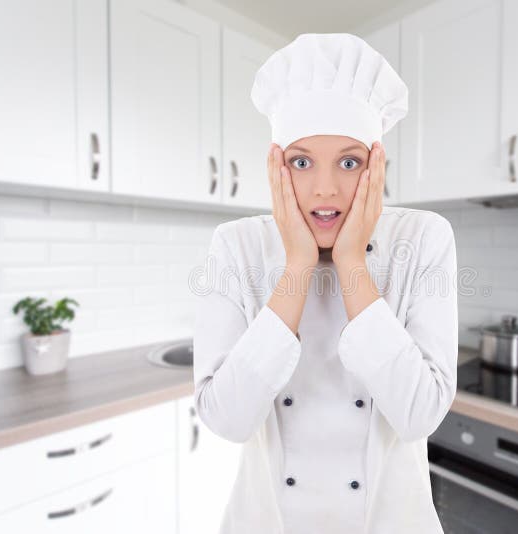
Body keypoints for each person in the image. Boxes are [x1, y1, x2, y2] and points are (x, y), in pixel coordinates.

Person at [193, 32, 458, 534]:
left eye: (349, 162)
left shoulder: (424, 238)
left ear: (376, 166)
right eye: (301, 161)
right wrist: (297, 264)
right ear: (277, 167)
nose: (325, 189)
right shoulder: (236, 246)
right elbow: (227, 420)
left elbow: (419, 415)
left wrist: (352, 261)